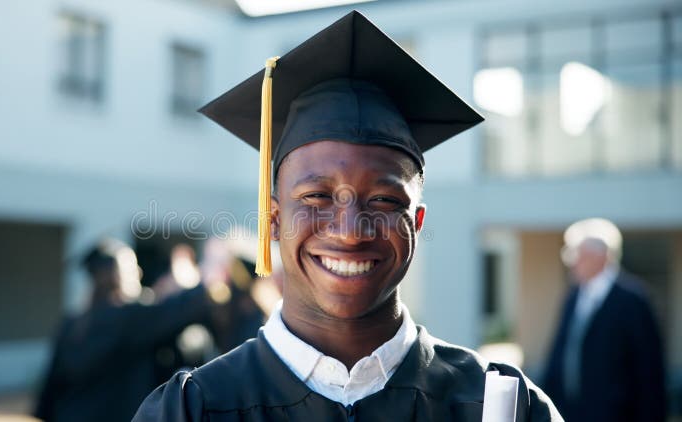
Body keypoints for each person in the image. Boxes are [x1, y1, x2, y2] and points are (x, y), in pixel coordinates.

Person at [133, 11, 560, 421]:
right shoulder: (194, 410)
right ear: (274, 219)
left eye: (385, 201)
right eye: (317, 196)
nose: (351, 230)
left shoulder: (499, 406)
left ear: (418, 222)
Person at [34, 238, 222, 422]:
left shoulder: (73, 323)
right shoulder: (127, 318)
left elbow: (49, 393)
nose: (139, 272)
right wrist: (210, 273)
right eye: (131, 267)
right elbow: (182, 308)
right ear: (108, 275)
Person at [542, 218, 666, 422]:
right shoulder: (573, 297)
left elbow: (649, 371)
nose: (572, 262)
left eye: (578, 254)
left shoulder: (633, 300)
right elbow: (559, 356)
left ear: (602, 256)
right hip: (572, 414)